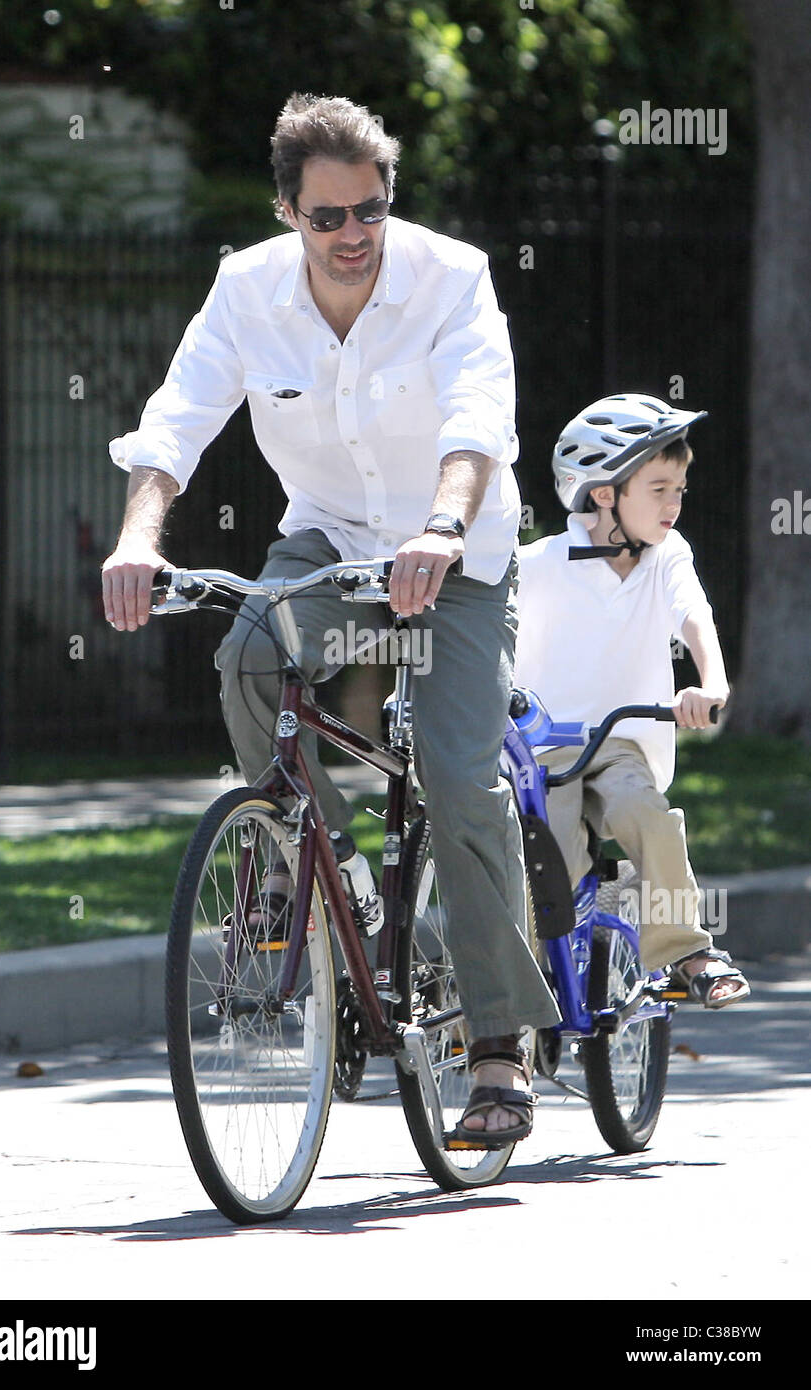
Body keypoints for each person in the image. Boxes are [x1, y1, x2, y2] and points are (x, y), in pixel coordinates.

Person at [102, 92, 560, 1144]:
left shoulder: (451, 276)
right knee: (247, 660)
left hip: (455, 551)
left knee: (458, 778)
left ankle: (497, 1043)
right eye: (328, 216)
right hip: (329, 537)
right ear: (286, 213)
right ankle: (311, 864)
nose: (354, 234)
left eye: (371, 209)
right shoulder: (246, 290)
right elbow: (175, 420)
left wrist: (442, 525)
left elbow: (477, 418)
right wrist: (137, 540)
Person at [514, 393, 750, 1007]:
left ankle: (686, 951)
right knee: (548, 865)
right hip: (546, 748)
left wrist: (712, 682)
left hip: (621, 742)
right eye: (659, 489)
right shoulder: (537, 564)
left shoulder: (667, 556)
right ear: (603, 494)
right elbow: (489, 635)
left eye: (680, 490)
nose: (674, 504)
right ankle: (530, 991)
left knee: (646, 814)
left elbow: (693, 614)